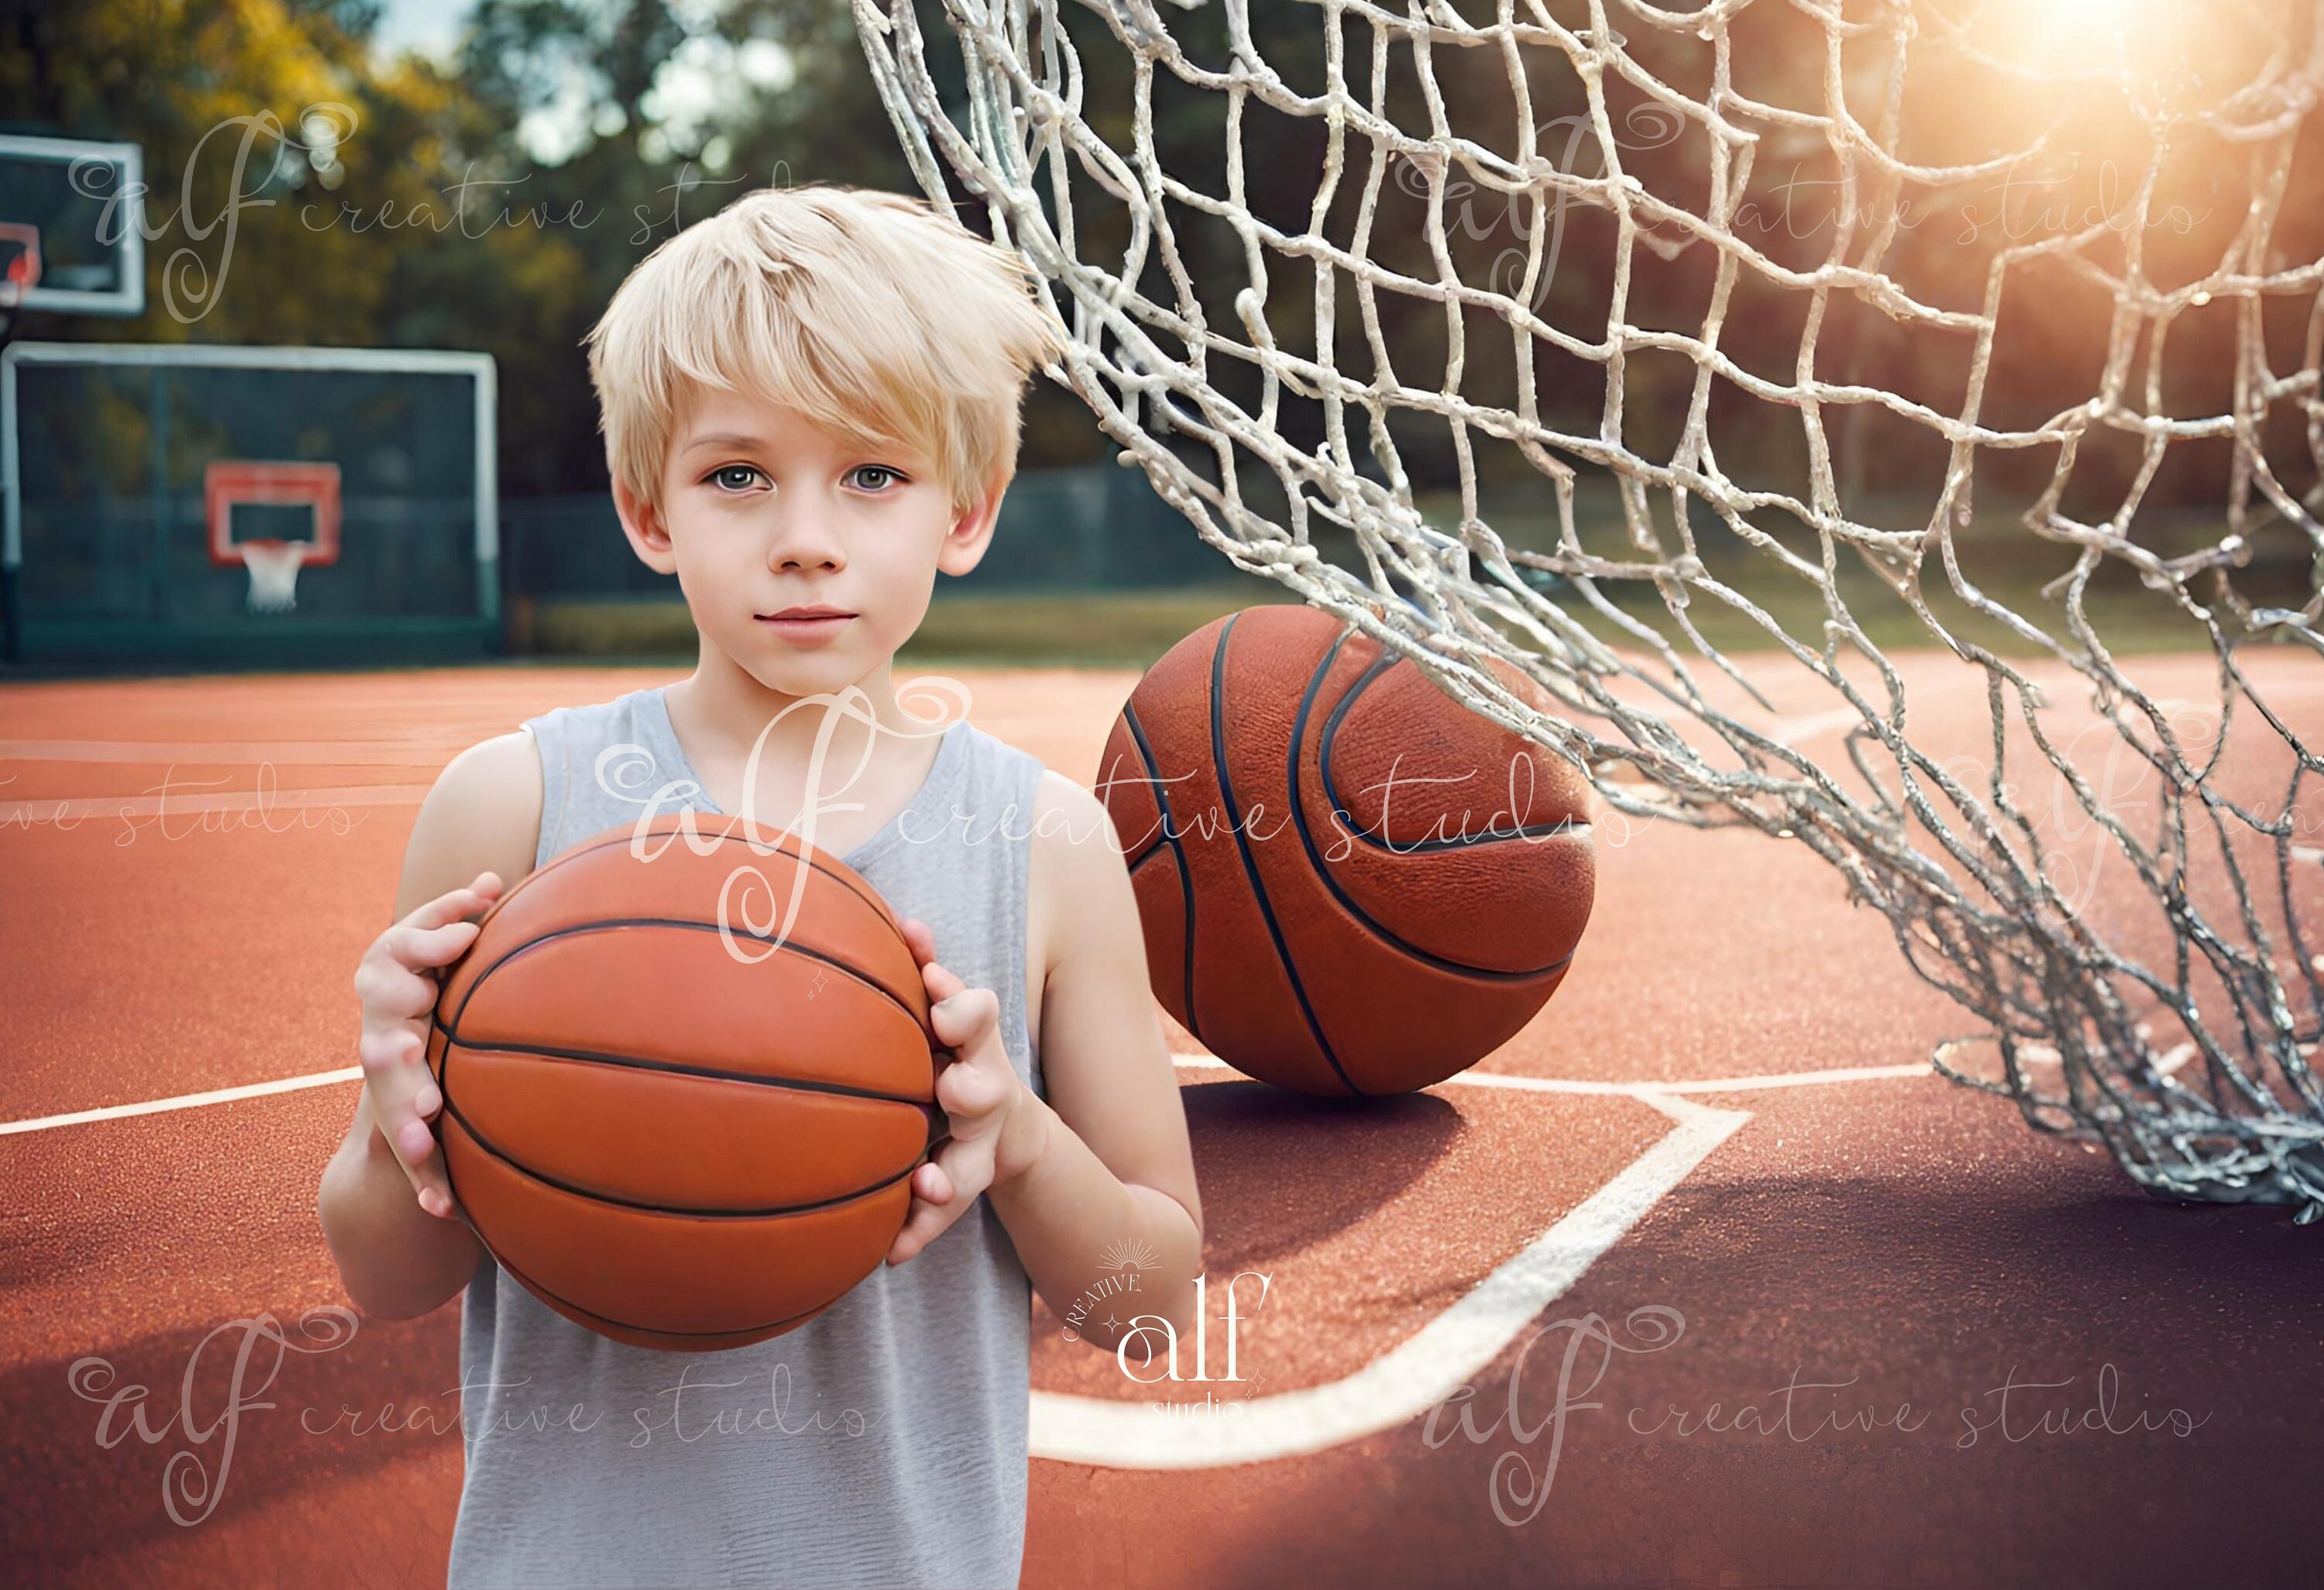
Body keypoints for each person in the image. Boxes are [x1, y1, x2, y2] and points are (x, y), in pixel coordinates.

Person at [315, 184, 1205, 1590]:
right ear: (645, 510)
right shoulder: (517, 806)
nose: (805, 535)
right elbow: (386, 1279)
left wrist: (1016, 1139)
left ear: (966, 511)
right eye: (738, 476)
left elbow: (1149, 1307)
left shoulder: (1047, 845)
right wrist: (393, 1121)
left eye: (873, 475)